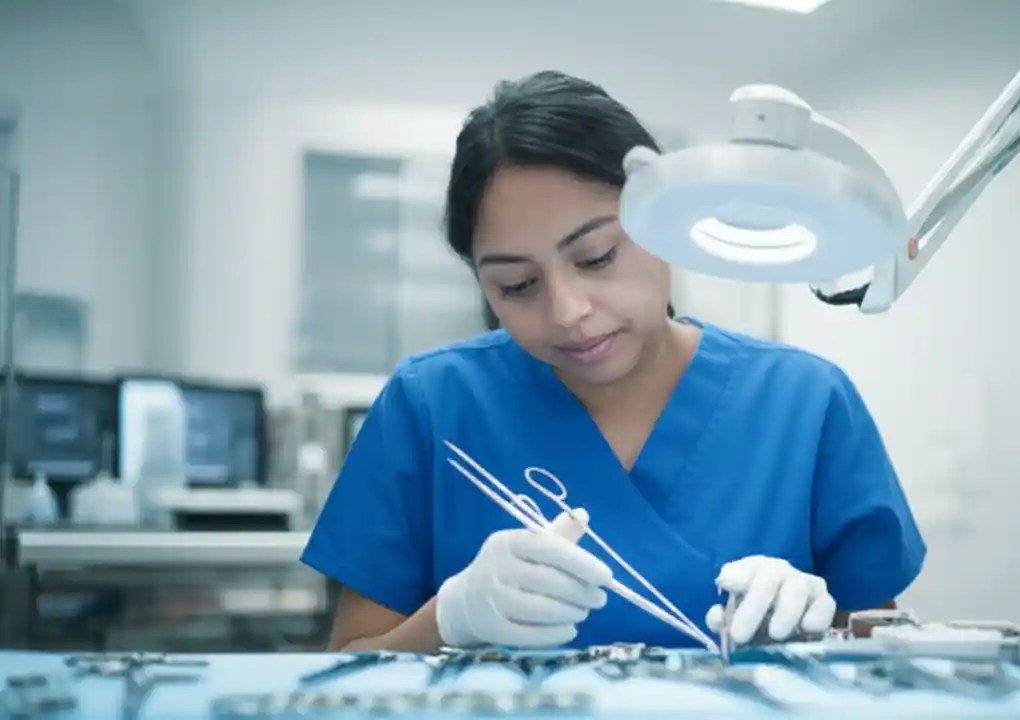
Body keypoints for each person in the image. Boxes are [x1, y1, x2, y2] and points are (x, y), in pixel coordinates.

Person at [301, 70, 926, 653]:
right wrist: (447, 620)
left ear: (667, 220)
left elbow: (881, 653)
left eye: (597, 256)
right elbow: (345, 667)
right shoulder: (430, 406)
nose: (568, 310)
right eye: (518, 286)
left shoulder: (805, 404)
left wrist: (816, 639)